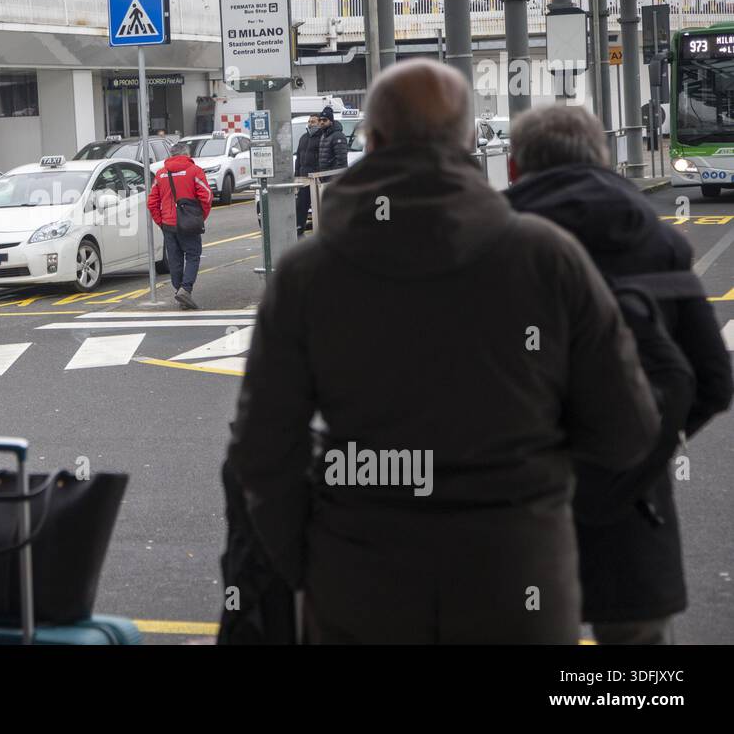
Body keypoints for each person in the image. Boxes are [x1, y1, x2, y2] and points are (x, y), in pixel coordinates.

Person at [225, 59, 661, 644]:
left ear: (373, 141)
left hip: (359, 581)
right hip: (517, 575)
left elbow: (261, 449)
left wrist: (311, 558)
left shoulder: (308, 273)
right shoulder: (548, 257)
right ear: (472, 142)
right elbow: (628, 430)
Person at [505, 105, 733, 645]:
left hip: (518, 501)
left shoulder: (489, 238)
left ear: (513, 169)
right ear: (603, 160)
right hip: (633, 492)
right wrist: (649, 441)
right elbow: (714, 379)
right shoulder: (654, 235)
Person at [148, 141, 212, 311]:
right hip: (189, 223)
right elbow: (206, 196)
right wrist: (200, 217)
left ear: (172, 155)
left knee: (175, 260)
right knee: (193, 255)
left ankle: (180, 292)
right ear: (186, 154)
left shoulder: (161, 174)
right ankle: (186, 289)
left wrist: (160, 221)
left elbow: (152, 202)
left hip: (168, 223)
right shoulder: (194, 171)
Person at [293, 113, 322, 236]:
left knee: (317, 205)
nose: (310, 124)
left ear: (319, 123)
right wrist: (297, 173)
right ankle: (299, 227)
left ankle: (320, 229)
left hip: (315, 177)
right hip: (303, 176)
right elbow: (298, 157)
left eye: (313, 122)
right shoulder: (303, 137)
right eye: (309, 121)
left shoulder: (322, 137)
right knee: (301, 203)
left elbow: (322, 157)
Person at [316, 105, 348, 174]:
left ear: (331, 121)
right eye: (320, 120)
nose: (322, 122)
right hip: (324, 175)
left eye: (325, 120)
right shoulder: (323, 135)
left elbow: (341, 160)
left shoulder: (338, 136)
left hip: (334, 176)